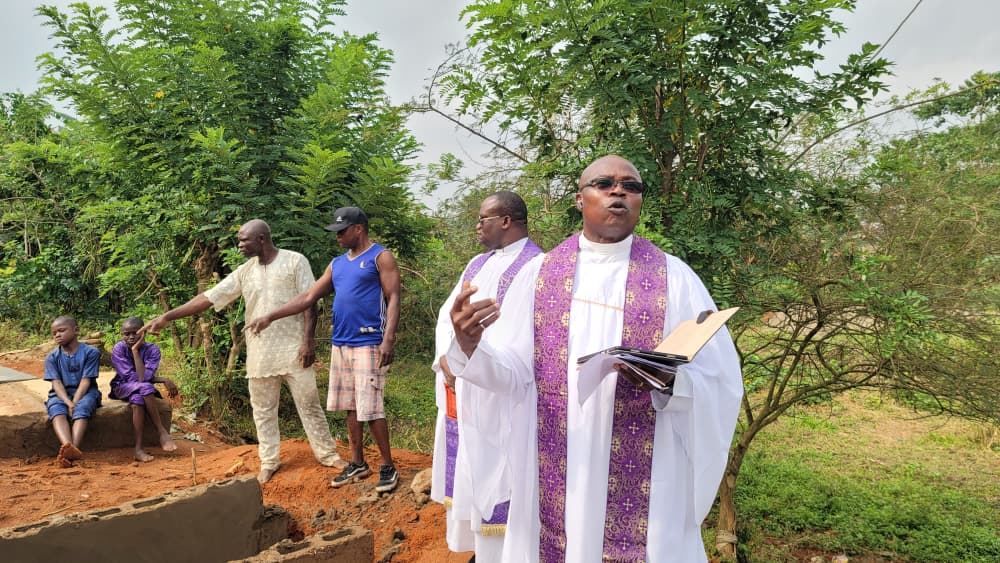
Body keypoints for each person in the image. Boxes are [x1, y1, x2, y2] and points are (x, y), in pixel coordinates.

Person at [447, 155, 744, 562]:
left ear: (640, 200)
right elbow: (512, 375)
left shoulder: (675, 278)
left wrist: (670, 382)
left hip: (649, 468)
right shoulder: (539, 276)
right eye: (604, 183)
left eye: (631, 186)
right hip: (555, 462)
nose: (617, 191)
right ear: (579, 198)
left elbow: (720, 379)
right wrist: (469, 346)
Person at [141, 219, 346, 484]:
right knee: (262, 410)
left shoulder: (295, 261)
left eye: (243, 240)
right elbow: (208, 298)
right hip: (260, 352)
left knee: (309, 404)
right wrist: (167, 316)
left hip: (294, 348)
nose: (239, 246)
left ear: (261, 238)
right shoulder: (245, 271)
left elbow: (310, 302)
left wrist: (308, 342)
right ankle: (269, 461)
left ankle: (328, 455)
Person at [246, 206, 402, 493]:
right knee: (350, 406)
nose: (338, 237)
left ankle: (388, 466)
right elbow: (308, 296)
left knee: (372, 408)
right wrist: (270, 315)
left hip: (369, 342)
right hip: (341, 343)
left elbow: (393, 297)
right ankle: (357, 462)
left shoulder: (380, 257)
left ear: (358, 229)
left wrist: (388, 339)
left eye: (342, 231)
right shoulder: (337, 264)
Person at [431, 192, 543, 562]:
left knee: (504, 476)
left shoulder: (538, 267)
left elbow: (525, 340)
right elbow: (450, 315)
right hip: (464, 387)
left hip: (504, 396)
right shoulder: (477, 264)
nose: (477, 226)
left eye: (483, 219)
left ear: (507, 221)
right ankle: (481, 552)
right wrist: (447, 358)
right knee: (470, 469)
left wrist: (473, 357)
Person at [109, 316, 180, 462]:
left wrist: (136, 351)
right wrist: (135, 351)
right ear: (121, 334)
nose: (130, 337)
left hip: (139, 390)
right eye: (126, 334)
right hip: (122, 387)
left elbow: (144, 376)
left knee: (137, 401)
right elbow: (136, 379)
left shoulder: (152, 350)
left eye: (135, 332)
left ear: (143, 332)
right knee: (146, 386)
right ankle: (161, 431)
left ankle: (138, 449)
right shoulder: (119, 349)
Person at [44, 316, 102, 468]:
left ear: (76, 331)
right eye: (54, 333)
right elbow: (56, 383)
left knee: (82, 408)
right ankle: (68, 446)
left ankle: (72, 449)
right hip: (61, 394)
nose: (57, 335)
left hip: (86, 392)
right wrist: (68, 402)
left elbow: (86, 381)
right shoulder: (52, 357)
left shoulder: (91, 352)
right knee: (56, 409)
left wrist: (74, 402)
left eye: (61, 330)